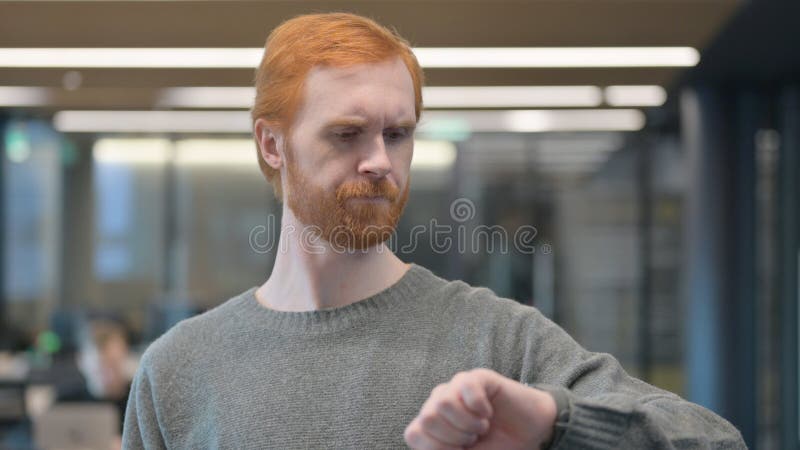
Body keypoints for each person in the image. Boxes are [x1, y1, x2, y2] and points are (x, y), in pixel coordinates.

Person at [122, 12, 746, 449]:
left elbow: (714, 440)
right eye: (347, 134)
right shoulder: (178, 370)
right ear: (272, 143)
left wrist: (556, 423)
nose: (380, 161)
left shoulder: (498, 343)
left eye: (398, 134)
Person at [59, 317, 133, 439]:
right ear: (81, 362)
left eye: (113, 365)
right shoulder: (65, 402)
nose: (107, 375)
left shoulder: (140, 400)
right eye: (98, 369)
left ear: (125, 356)